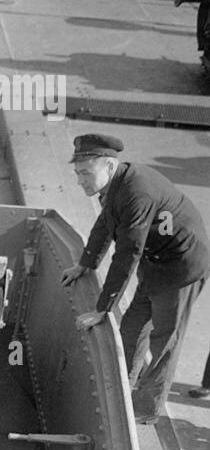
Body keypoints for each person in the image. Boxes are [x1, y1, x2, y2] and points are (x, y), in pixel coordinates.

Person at [61, 133, 210, 422]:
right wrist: (85, 264)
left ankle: (145, 410)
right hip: (157, 261)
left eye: (85, 173)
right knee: (132, 327)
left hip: (182, 268)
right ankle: (124, 389)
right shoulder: (116, 184)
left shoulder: (135, 192)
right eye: (77, 173)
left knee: (165, 339)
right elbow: (105, 223)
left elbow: (128, 253)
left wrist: (102, 309)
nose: (80, 180)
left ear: (109, 165)